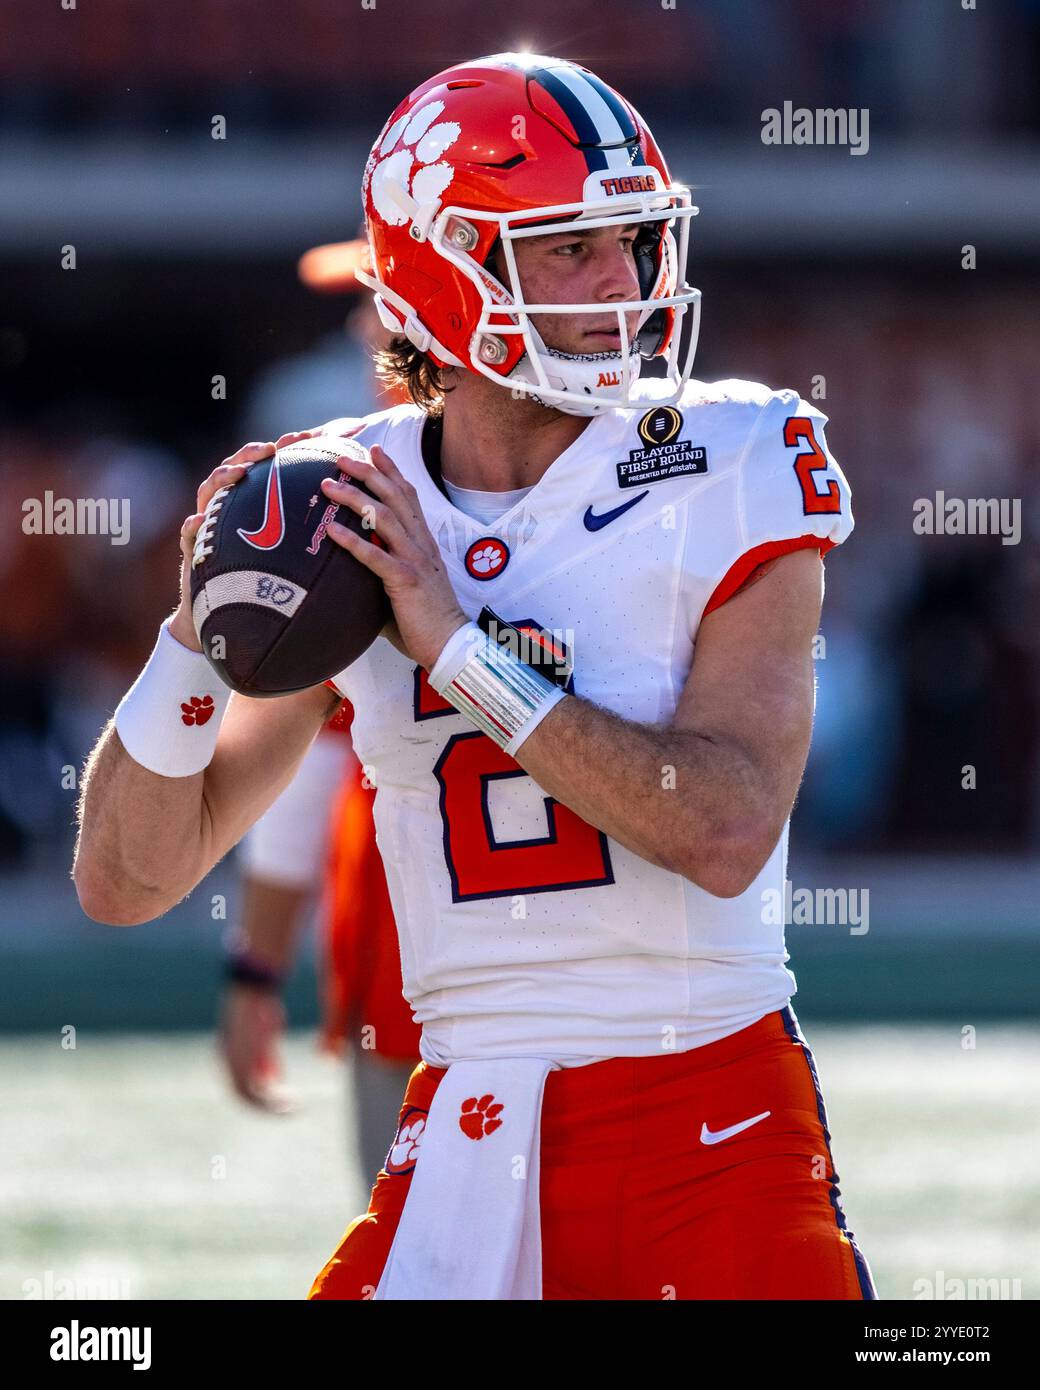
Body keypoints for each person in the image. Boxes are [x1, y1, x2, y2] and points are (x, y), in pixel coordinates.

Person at [74, 52, 876, 1300]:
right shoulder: (349, 488)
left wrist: (456, 646)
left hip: (703, 1107)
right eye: (568, 246)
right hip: (462, 1115)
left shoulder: (724, 456)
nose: (624, 280)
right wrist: (192, 640)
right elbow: (127, 880)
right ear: (444, 275)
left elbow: (723, 825)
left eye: (629, 236)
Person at [219, 238, 420, 1179]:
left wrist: (256, 964)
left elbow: (305, 747)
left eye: (383, 299)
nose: (361, 324)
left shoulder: (338, 467)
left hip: (422, 935)